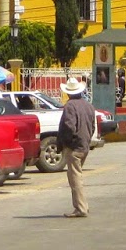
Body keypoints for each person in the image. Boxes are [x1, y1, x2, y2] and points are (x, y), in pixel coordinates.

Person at [56, 77, 98, 218]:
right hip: (84, 145)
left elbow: (69, 126)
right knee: (76, 176)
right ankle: (82, 205)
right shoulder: (88, 106)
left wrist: (67, 143)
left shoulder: (70, 106)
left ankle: (81, 208)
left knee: (75, 179)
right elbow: (92, 126)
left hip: (74, 147)